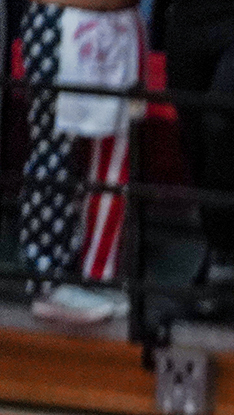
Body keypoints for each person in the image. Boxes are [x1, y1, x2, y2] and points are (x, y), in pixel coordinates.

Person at [19, 0, 144, 326]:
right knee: (53, 149)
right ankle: (47, 279)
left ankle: (91, 274)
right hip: (62, 24)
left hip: (113, 26)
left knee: (109, 156)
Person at [162, 0, 234, 313]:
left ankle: (228, 252)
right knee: (193, 132)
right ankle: (227, 239)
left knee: (219, 123)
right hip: (187, 20)